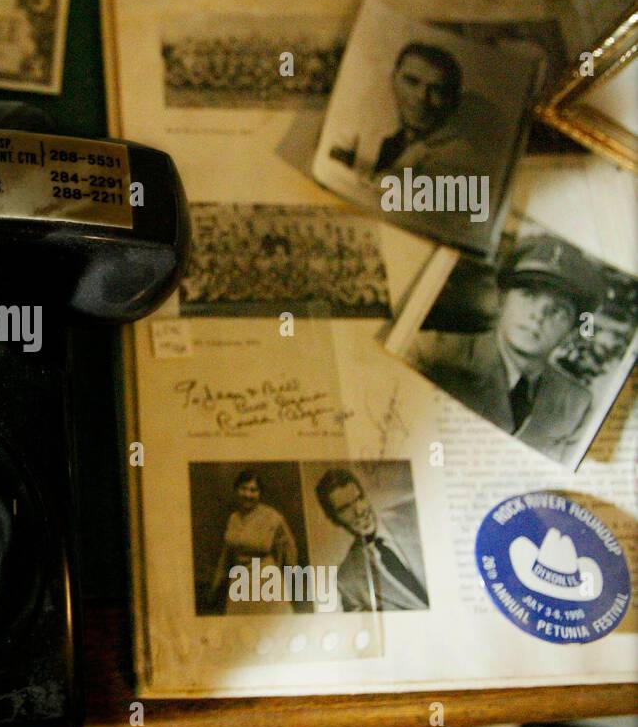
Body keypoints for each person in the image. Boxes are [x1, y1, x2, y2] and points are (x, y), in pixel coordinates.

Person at [408, 234, 602, 463]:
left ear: (570, 331)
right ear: (502, 300)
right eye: (529, 295)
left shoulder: (576, 405)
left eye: (558, 310)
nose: (538, 316)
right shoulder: (428, 353)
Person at [314, 468, 428, 613]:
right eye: (345, 508)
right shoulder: (347, 579)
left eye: (359, 498)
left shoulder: (412, 514)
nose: (359, 511)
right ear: (334, 520)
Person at [368, 43, 482, 182]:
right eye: (412, 81)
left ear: (452, 101)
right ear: (393, 79)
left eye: (436, 89)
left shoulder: (454, 160)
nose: (422, 96)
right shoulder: (394, 142)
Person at [207, 471, 299, 615]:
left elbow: (289, 548)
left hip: (266, 582)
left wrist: (289, 578)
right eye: (243, 488)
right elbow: (227, 554)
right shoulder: (233, 518)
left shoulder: (272, 517)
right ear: (236, 490)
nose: (248, 495)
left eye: (253, 490)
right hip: (239, 582)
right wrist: (217, 583)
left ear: (260, 493)